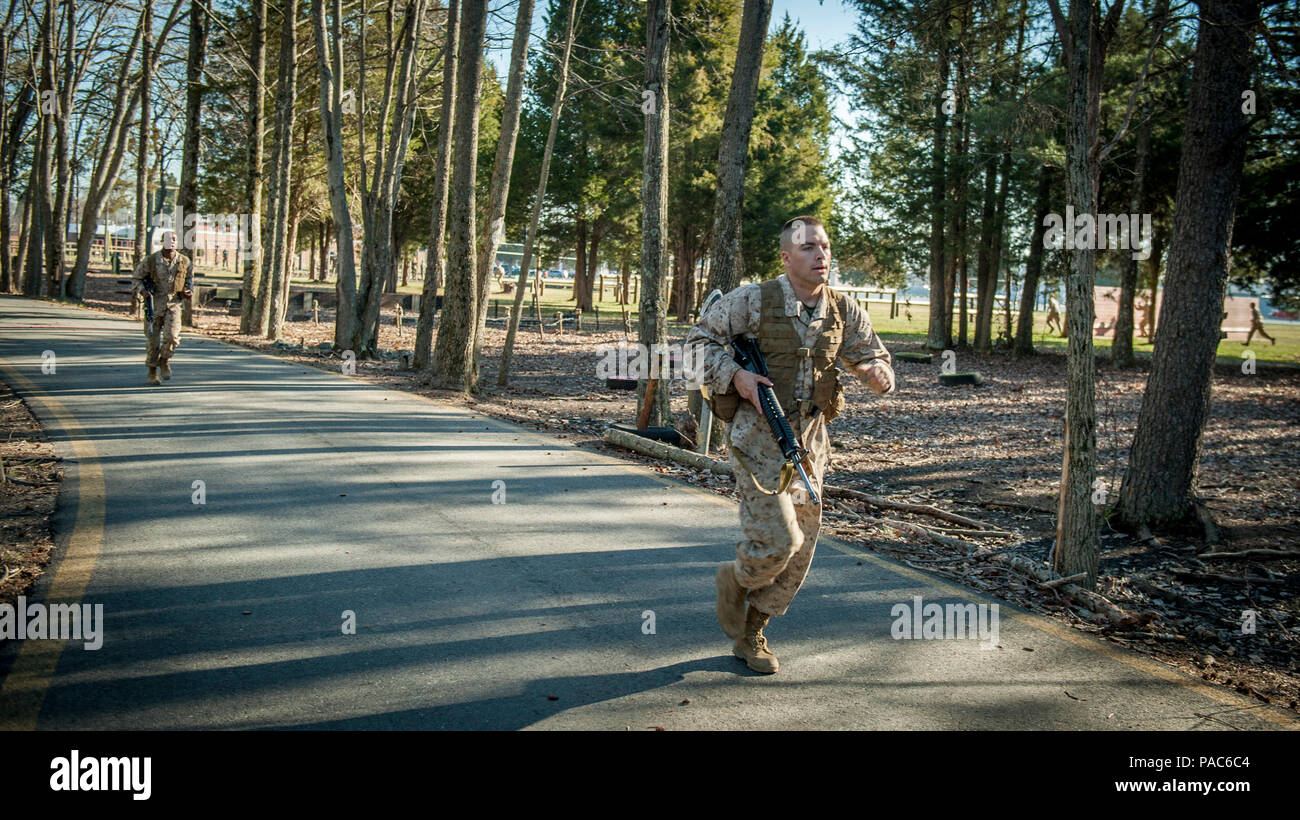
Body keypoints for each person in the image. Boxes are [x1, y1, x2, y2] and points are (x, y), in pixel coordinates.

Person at [685, 216, 896, 675]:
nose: (820, 255)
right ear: (786, 257)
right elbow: (696, 344)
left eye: (824, 246)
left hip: (808, 447)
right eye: (807, 248)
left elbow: (873, 356)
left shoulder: (843, 309)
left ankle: (751, 632)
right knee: (780, 539)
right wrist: (737, 376)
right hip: (755, 441)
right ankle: (736, 580)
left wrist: (878, 373)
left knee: (801, 549)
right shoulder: (752, 301)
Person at [130, 230, 192, 386]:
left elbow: (189, 281)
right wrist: (142, 291)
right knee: (153, 341)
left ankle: (164, 360)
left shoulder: (184, 261)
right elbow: (136, 278)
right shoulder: (150, 261)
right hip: (154, 304)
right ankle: (152, 371)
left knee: (172, 337)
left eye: (174, 239)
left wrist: (188, 291)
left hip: (174, 304)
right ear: (162, 241)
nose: (171, 242)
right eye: (168, 239)